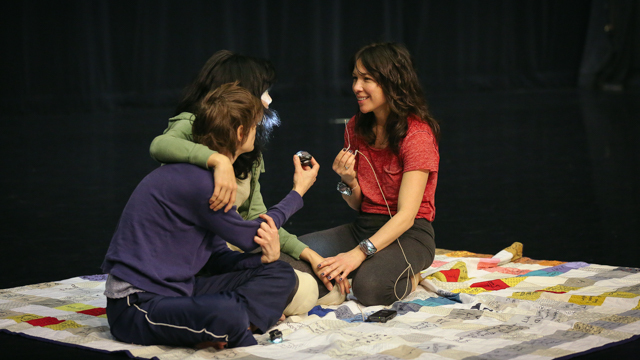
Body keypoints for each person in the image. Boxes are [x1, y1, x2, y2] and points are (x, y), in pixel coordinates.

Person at [102, 83, 319, 349]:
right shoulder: (201, 183)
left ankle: (228, 325)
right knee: (227, 311)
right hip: (136, 306)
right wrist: (297, 192)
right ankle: (234, 325)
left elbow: (218, 258)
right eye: (254, 126)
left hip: (180, 290)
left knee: (280, 273)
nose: (256, 132)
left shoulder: (209, 178)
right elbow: (252, 237)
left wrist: (262, 261)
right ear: (240, 132)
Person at [149, 50, 324, 314]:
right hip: (201, 255)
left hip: (232, 248)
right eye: (263, 91)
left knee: (319, 284)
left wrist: (308, 253)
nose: (269, 100)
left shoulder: (247, 145)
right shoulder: (196, 126)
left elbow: (257, 216)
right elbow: (160, 145)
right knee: (300, 287)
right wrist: (217, 161)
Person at [284, 42, 440, 307]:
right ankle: (345, 276)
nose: (357, 86)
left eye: (367, 79)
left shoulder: (417, 135)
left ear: (393, 82)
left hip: (410, 234)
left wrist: (356, 255)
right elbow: (359, 204)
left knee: (370, 289)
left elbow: (405, 216)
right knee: (287, 258)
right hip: (364, 227)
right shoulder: (356, 127)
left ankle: (410, 277)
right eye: (356, 77)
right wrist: (348, 181)